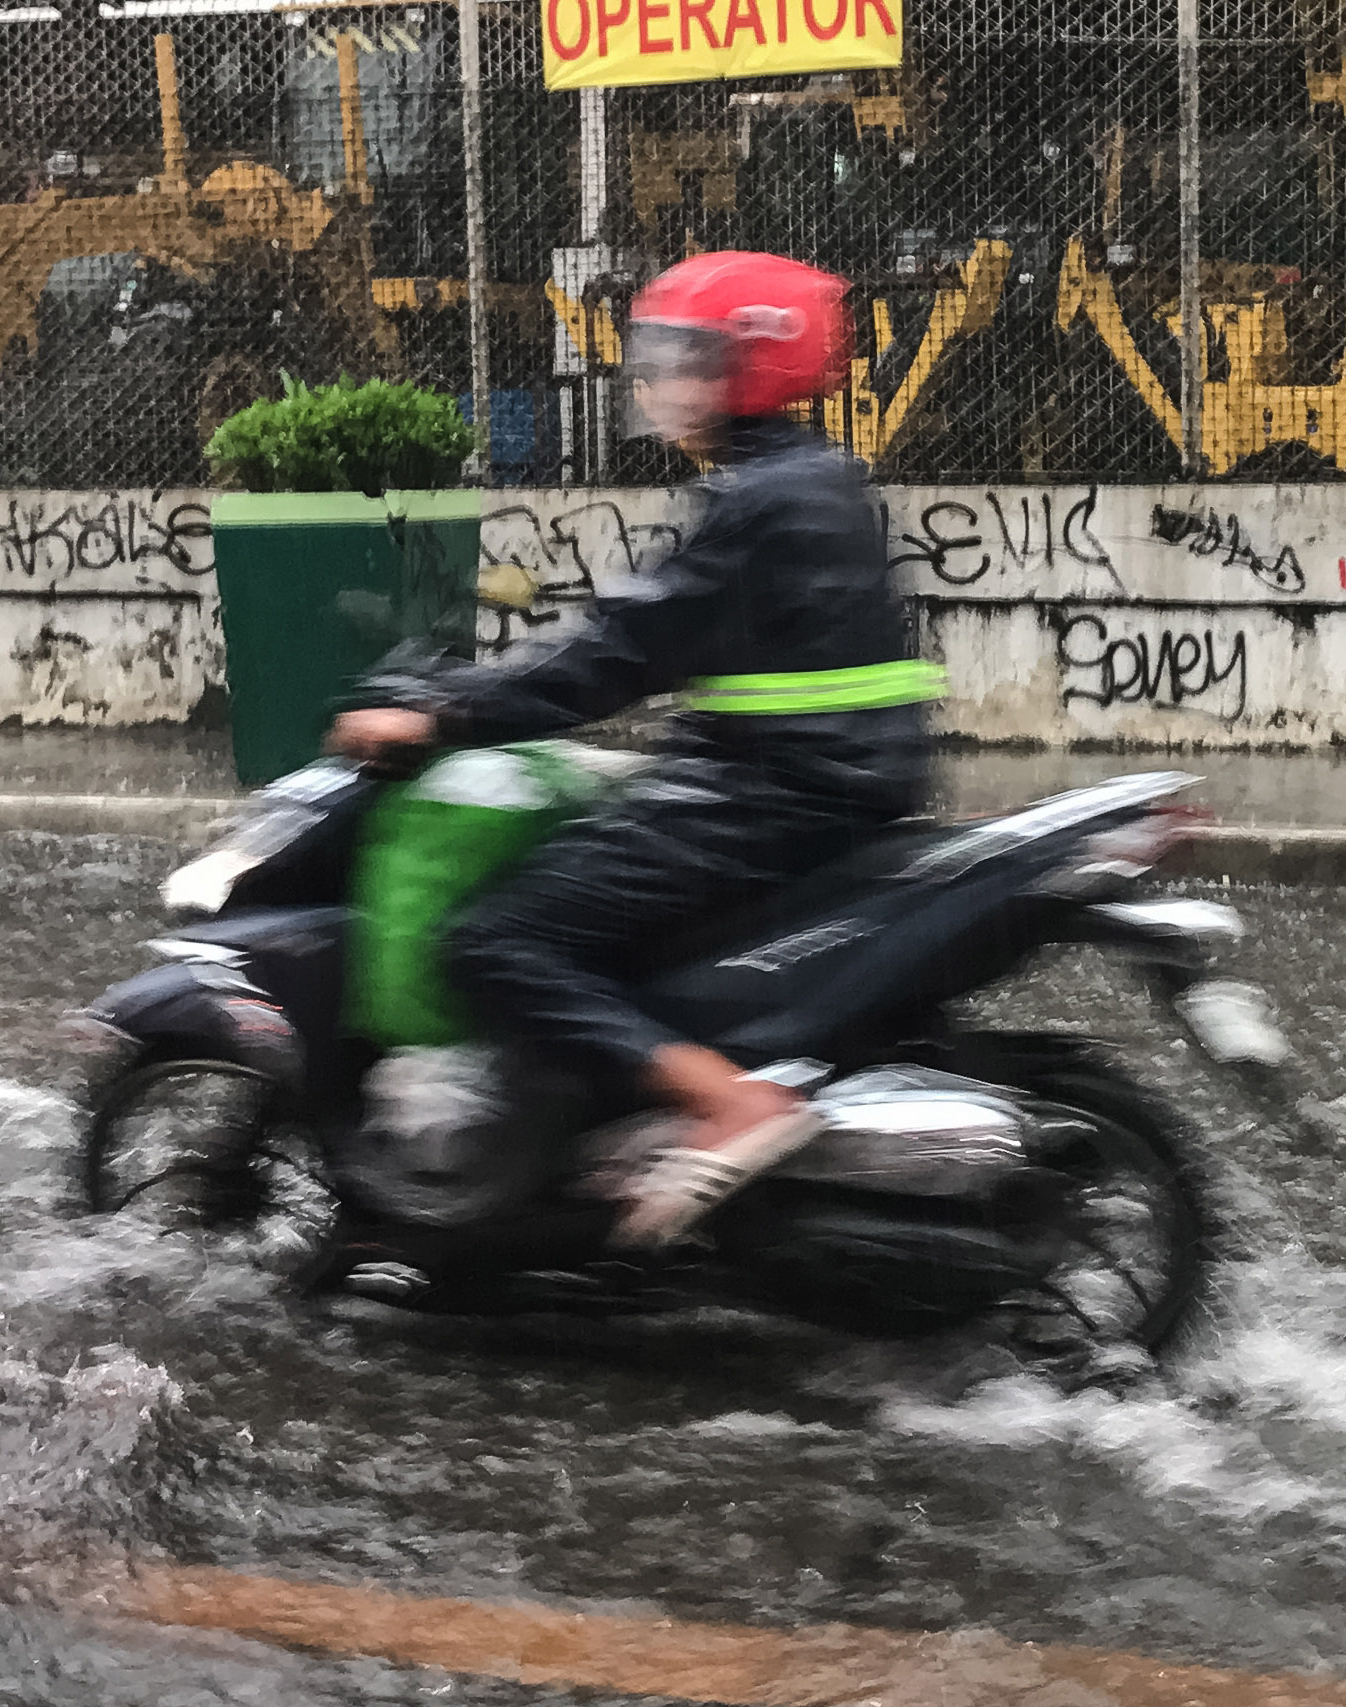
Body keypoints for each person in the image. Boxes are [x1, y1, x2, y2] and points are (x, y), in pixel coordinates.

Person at [325, 250, 939, 1245]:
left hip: (777, 789)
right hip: (816, 776)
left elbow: (612, 658)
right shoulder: (805, 478)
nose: (658, 382)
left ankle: (729, 1103)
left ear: (750, 367)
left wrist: (438, 717)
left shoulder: (758, 500)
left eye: (685, 358)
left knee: (498, 940)